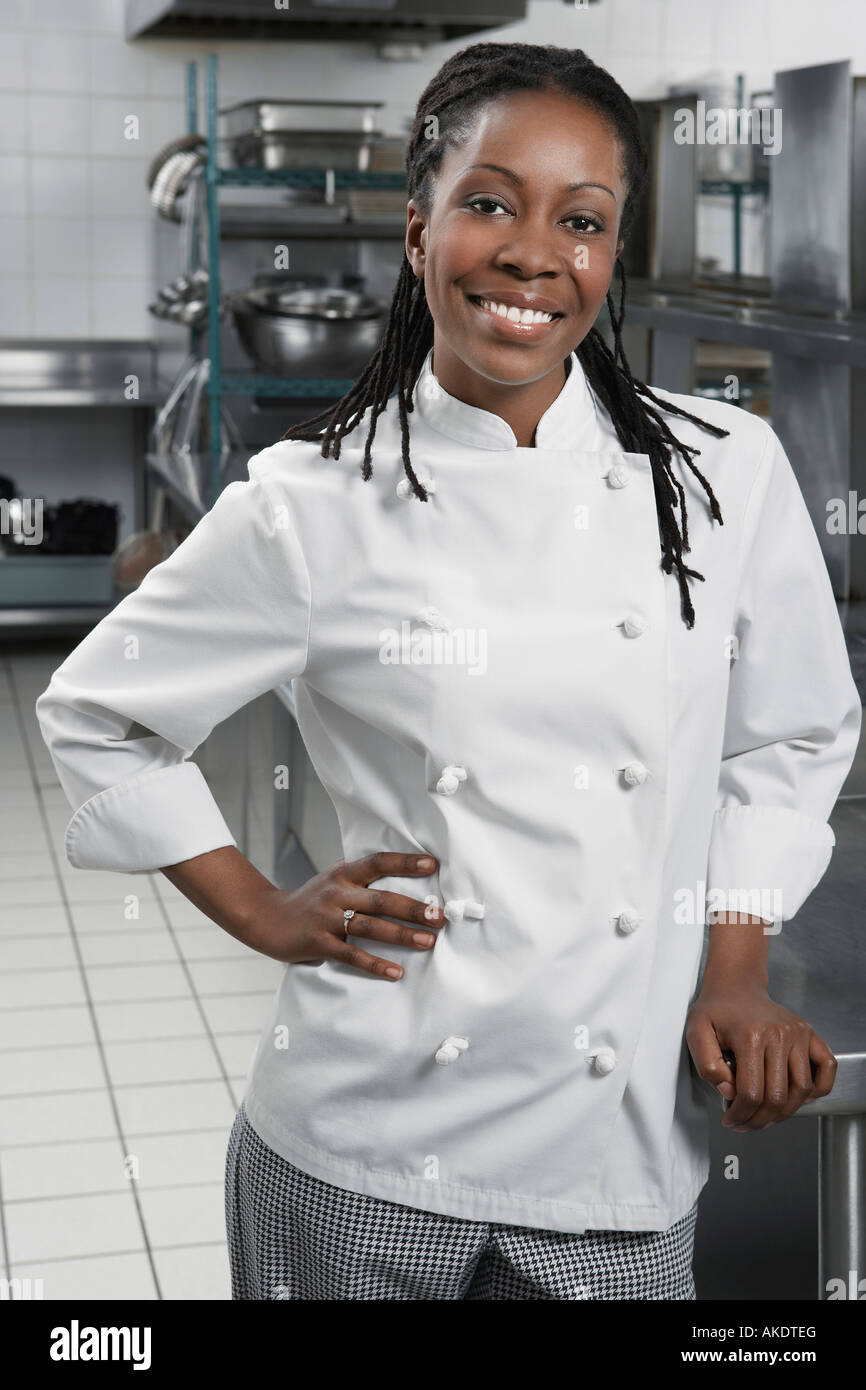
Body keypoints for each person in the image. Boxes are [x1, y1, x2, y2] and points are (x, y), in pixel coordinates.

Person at [35, 42, 861, 1301]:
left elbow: (783, 737)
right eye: (488, 201)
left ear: (611, 252)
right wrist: (264, 908)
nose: (535, 252)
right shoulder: (312, 500)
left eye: (579, 220)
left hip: (617, 1157)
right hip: (358, 1159)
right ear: (418, 230)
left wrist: (734, 967)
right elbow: (97, 712)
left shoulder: (723, 470)